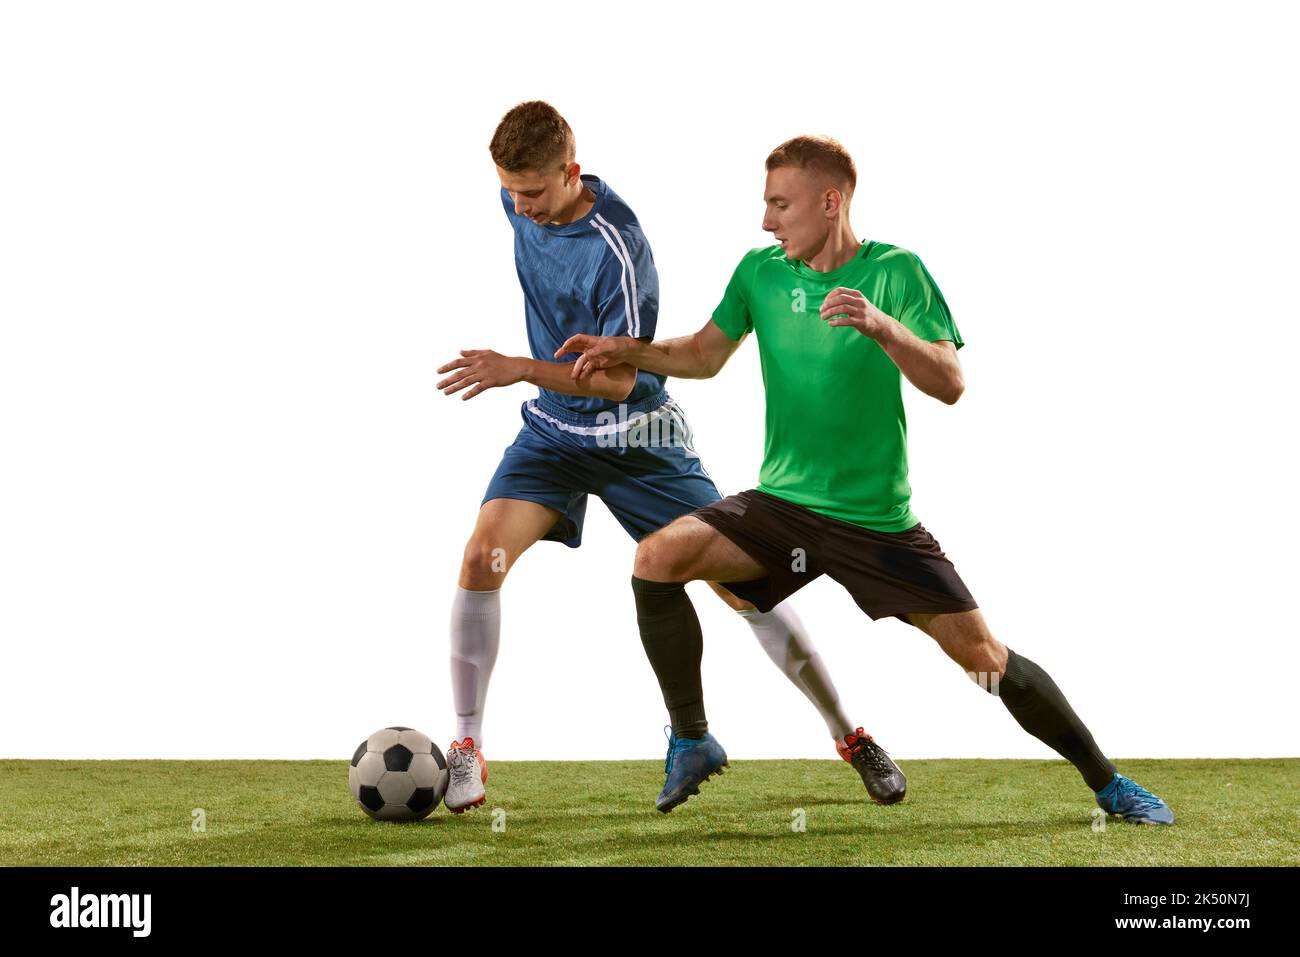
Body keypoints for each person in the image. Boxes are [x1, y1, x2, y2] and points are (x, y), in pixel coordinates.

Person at [558, 134, 1175, 825]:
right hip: (783, 507)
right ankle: (693, 738)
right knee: (656, 557)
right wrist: (627, 349)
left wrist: (884, 327)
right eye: (766, 204)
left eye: (780, 204)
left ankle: (1109, 782)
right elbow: (702, 354)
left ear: (830, 202)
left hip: (876, 524)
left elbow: (950, 383)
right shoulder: (759, 273)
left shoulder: (897, 272)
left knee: (986, 660)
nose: (767, 220)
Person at [434, 104, 900, 814]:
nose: (518, 207)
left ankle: (850, 733)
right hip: (556, 435)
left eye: (532, 193)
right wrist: (532, 378)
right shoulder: (518, 197)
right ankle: (466, 747)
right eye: (509, 191)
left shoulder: (617, 252)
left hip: (640, 442)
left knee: (746, 588)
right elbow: (521, 202)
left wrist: (519, 367)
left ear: (572, 172)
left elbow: (618, 380)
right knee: (479, 560)